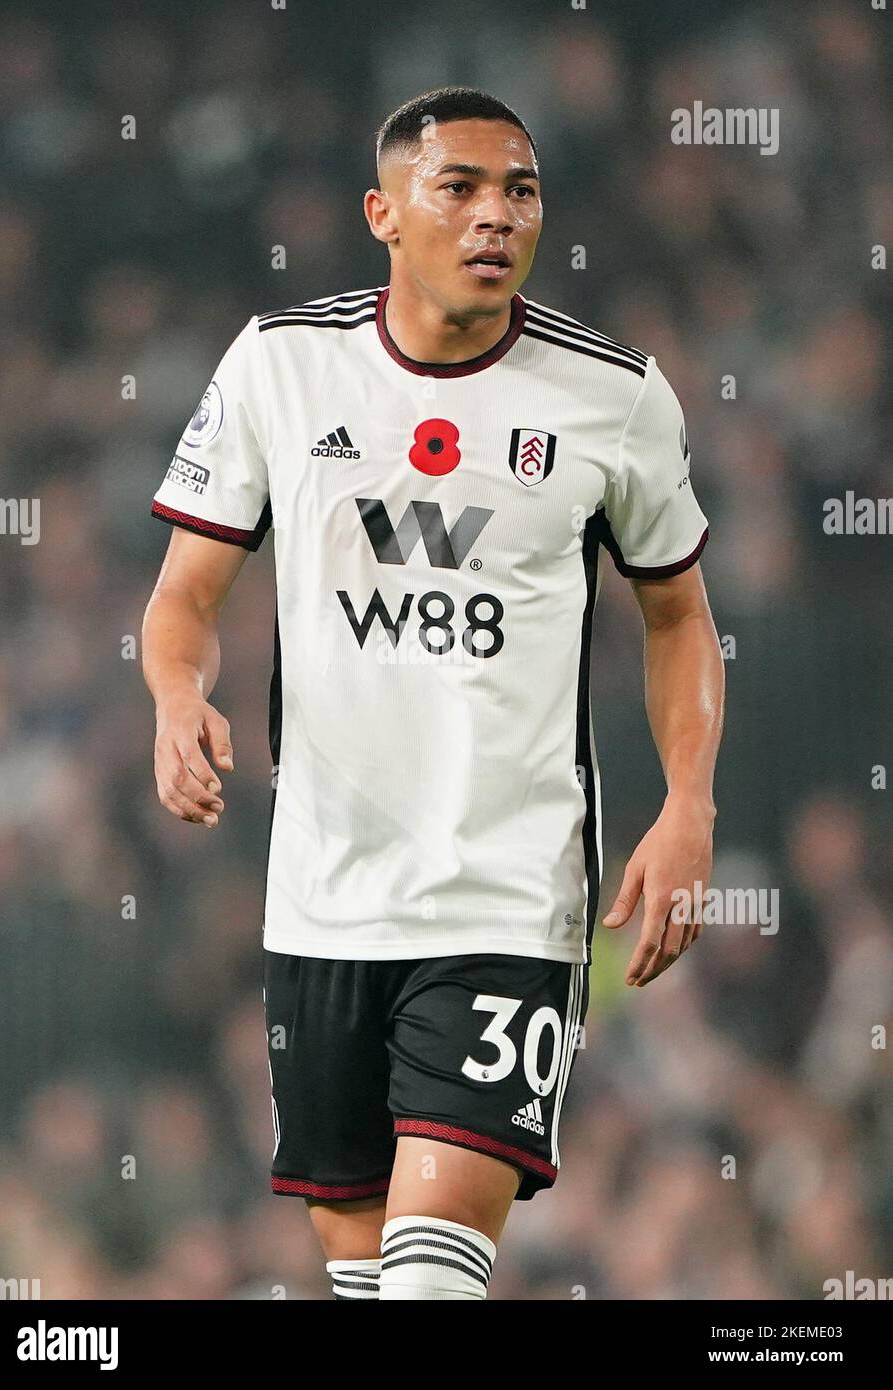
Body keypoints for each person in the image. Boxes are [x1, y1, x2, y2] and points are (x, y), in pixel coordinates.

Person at [142, 86, 725, 1301]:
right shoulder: (281, 366)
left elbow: (676, 614)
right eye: (456, 188)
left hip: (506, 897)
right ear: (383, 214)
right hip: (323, 897)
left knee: (425, 1283)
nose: (493, 216)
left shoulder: (611, 397)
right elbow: (182, 598)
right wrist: (171, 695)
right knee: (360, 1275)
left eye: (518, 191)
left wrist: (688, 806)